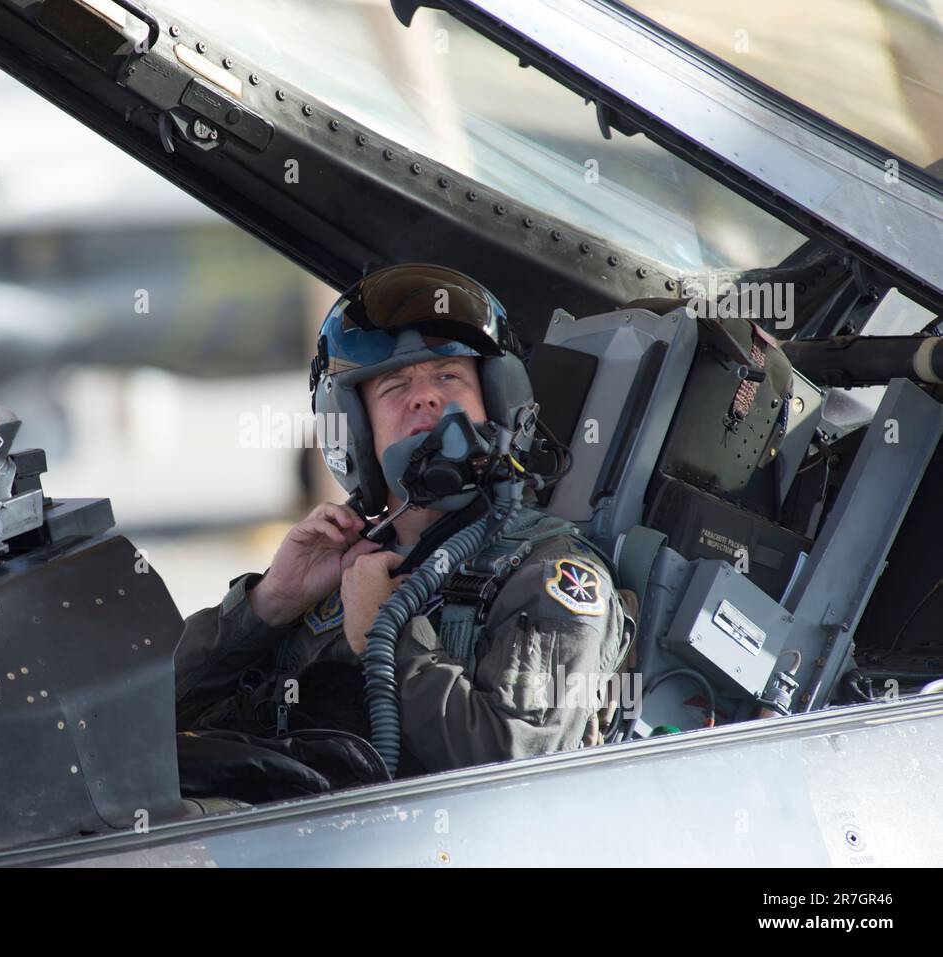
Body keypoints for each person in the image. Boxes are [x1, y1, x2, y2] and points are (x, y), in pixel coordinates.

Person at [175, 264, 630, 776]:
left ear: (500, 403)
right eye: (394, 385)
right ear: (354, 430)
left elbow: (515, 765)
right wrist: (269, 603)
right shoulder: (336, 572)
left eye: (448, 375)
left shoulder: (550, 577)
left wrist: (382, 636)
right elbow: (155, 715)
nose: (425, 396)